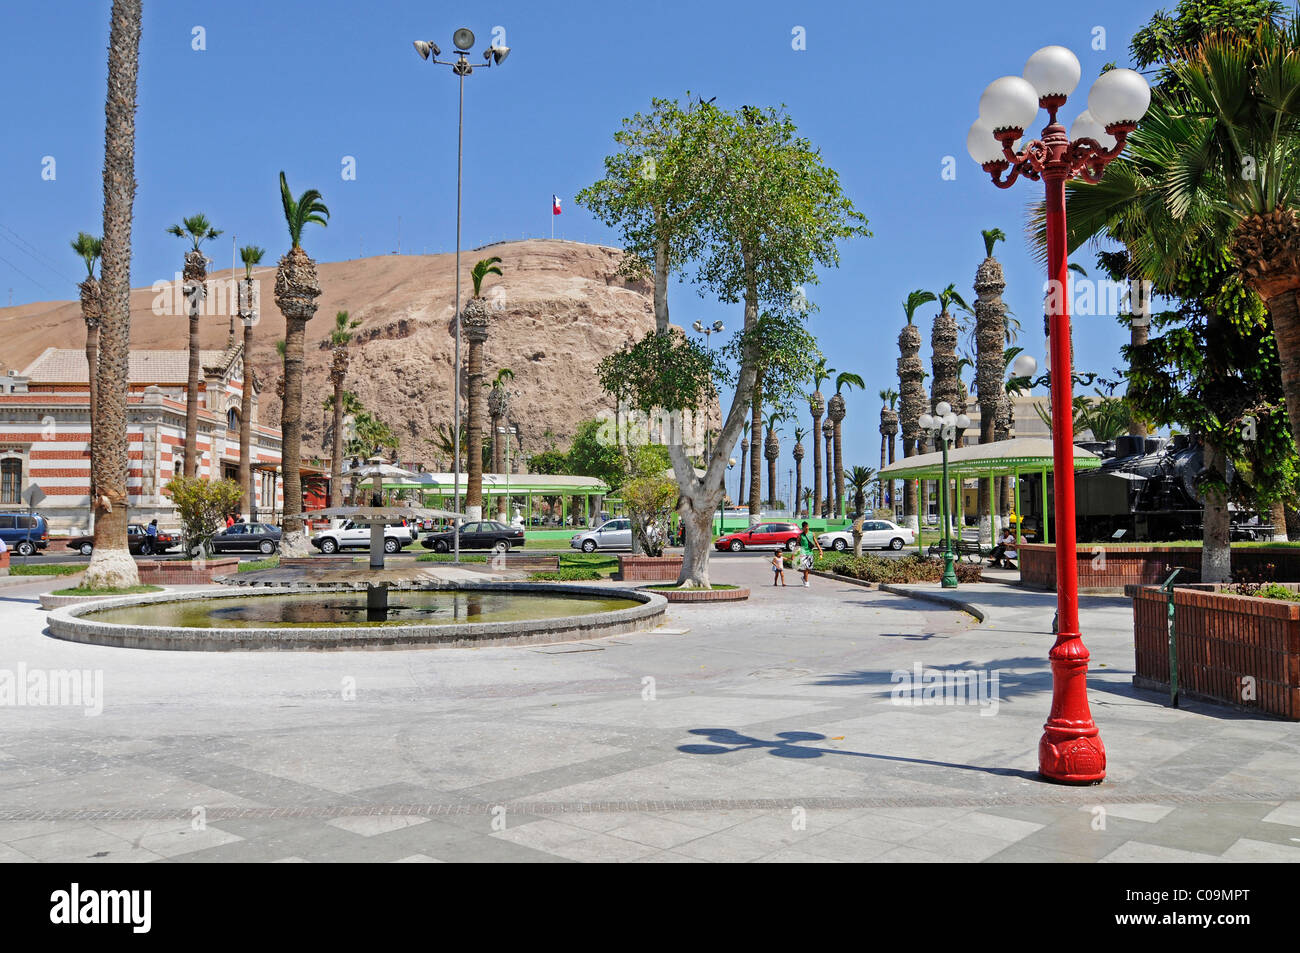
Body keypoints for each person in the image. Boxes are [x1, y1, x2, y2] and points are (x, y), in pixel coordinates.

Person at [795, 521, 822, 588]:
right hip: (803, 553)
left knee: (809, 568)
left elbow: (816, 542)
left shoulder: (812, 534)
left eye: (808, 526)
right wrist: (793, 554)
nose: (807, 528)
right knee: (806, 568)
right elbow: (797, 545)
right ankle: (806, 582)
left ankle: (804, 577)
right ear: (803, 528)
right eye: (806, 527)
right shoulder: (800, 536)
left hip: (810, 553)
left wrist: (820, 550)